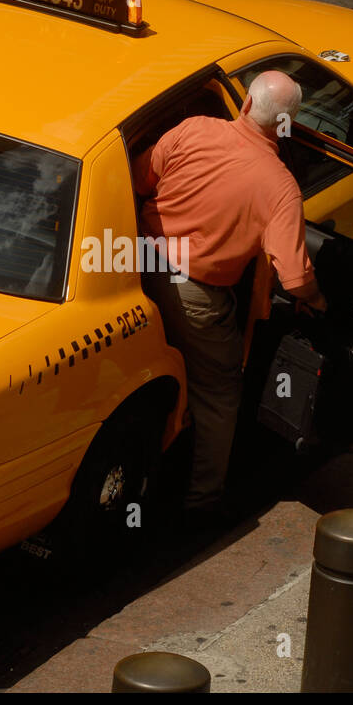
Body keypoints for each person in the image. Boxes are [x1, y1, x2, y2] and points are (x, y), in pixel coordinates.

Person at [133, 70, 327, 523]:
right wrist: (318, 301)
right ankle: (201, 503)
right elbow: (295, 280)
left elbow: (142, 178)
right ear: (284, 126)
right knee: (218, 394)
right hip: (195, 298)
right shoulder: (280, 188)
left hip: (134, 270)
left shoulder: (192, 129)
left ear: (243, 105)